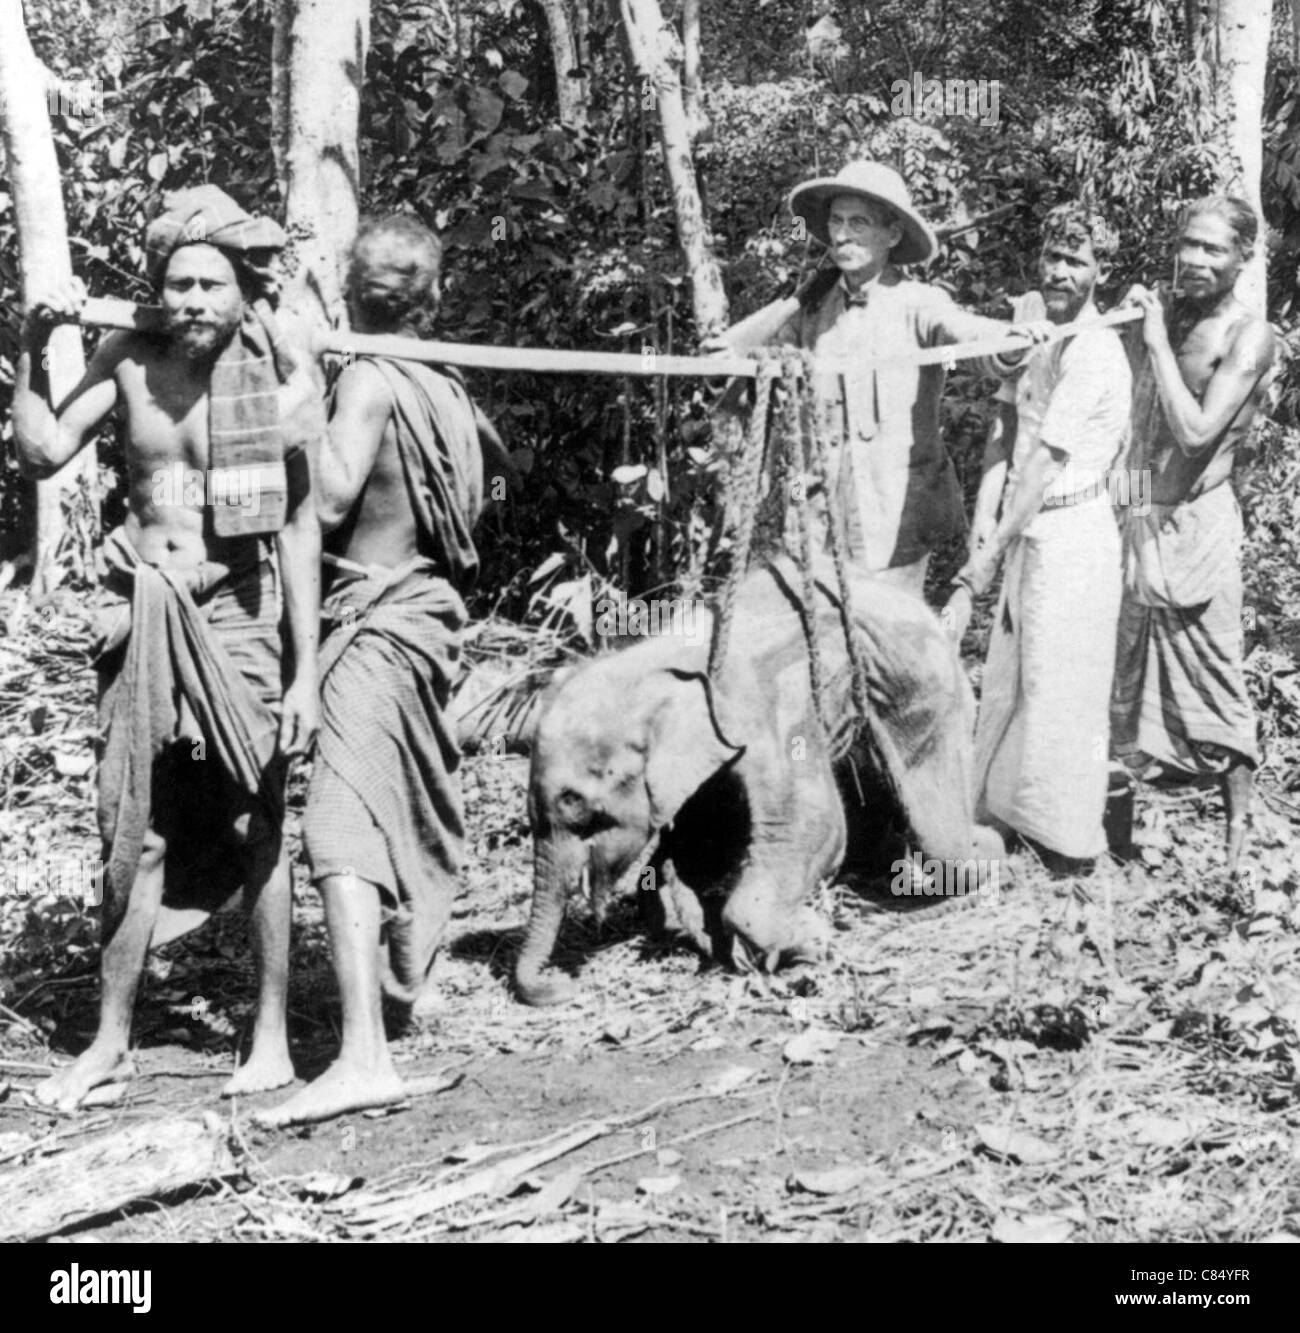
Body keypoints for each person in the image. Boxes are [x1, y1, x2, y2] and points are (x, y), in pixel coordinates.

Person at [13, 186, 322, 1110]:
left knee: (255, 821)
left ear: (241, 294)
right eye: (178, 283)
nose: (192, 299)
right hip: (140, 608)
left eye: (211, 284)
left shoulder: (271, 373)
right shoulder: (127, 357)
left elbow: (298, 528)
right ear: (158, 289)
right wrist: (31, 348)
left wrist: (305, 671)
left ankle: (267, 1036)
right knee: (133, 830)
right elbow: (39, 452)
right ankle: (111, 1039)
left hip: (240, 611)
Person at [257, 215, 500, 1127]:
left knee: (337, 823)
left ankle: (363, 1054)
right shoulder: (445, 384)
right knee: (390, 800)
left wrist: (296, 381)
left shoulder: (367, 380)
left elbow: (324, 499)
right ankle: (406, 993)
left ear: (347, 290)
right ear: (432, 297)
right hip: (425, 614)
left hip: (379, 619)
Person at [714, 160, 1039, 597]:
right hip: (818, 514)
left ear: (892, 235)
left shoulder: (918, 302)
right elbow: (732, 360)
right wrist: (790, 304)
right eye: (836, 222)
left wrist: (1010, 342)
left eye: (859, 223)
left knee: (886, 641)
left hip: (895, 516)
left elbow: (964, 333)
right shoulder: (812, 309)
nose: (842, 235)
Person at [948, 204, 1130, 868]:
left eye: (1076, 260)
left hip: (1074, 532)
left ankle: (1069, 847)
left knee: (1061, 688)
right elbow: (1004, 437)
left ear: (1101, 272)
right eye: (1052, 255)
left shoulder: (1098, 350)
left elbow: (1045, 462)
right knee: (1010, 681)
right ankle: (1007, 823)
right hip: (1028, 531)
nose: (1059, 270)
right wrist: (981, 541)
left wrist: (986, 561)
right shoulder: (1034, 329)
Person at [1110, 196, 1276, 872]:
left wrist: (1151, 339)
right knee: (1121, 680)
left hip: (1202, 525)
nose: (1197, 259)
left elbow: (1199, 430)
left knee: (1214, 682)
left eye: (1214, 249)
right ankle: (1111, 839)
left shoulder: (1250, 335)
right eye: (1189, 244)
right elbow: (1137, 412)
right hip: (1145, 518)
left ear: (1244, 257)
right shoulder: (1167, 313)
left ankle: (1239, 853)